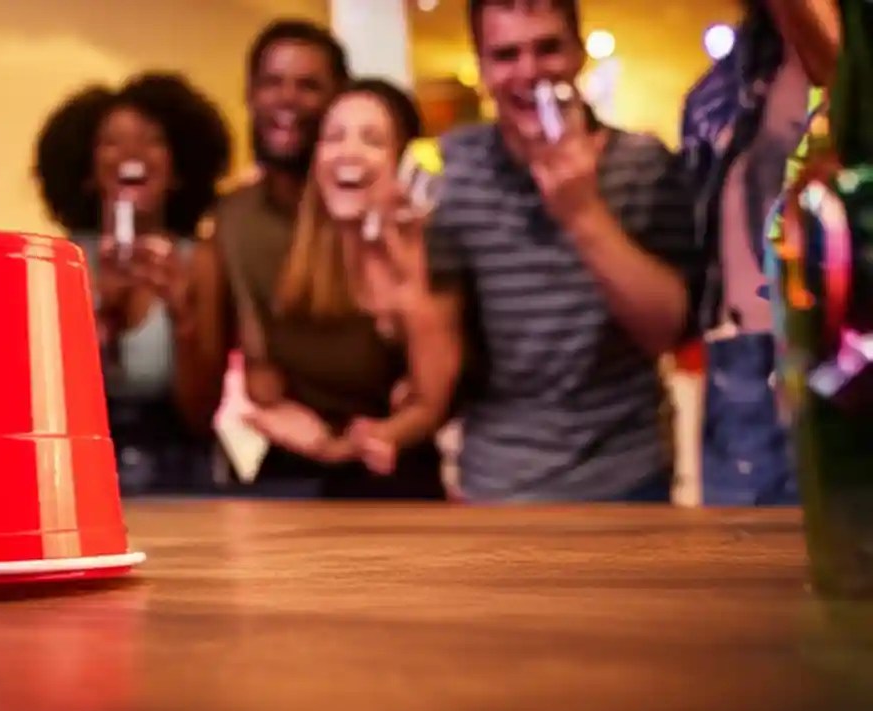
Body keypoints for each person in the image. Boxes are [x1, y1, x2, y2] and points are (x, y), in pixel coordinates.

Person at [427, 0, 702, 503]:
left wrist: (581, 212)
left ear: (578, 54)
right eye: (506, 55)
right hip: (497, 478)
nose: (529, 72)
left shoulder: (643, 165)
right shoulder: (455, 170)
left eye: (548, 48)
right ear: (484, 69)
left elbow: (667, 331)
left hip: (626, 474)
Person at [223, 78, 455, 498]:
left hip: (394, 474)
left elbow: (430, 402)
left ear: (402, 163)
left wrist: (340, 447)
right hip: (294, 468)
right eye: (334, 137)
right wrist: (273, 407)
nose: (349, 152)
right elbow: (261, 368)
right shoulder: (287, 250)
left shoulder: (429, 255)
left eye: (372, 140)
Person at [165, 20, 358, 495]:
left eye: (308, 85)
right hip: (290, 462)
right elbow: (199, 405)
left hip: (389, 456)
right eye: (273, 82)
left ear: (338, 99)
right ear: (251, 95)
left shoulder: (369, 208)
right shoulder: (230, 220)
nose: (287, 99)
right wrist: (184, 316)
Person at [33, 73, 231, 495]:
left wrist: (183, 317)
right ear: (87, 170)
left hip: (180, 472)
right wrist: (101, 318)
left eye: (152, 140)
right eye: (112, 141)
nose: (132, 153)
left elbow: (200, 415)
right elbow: (44, 407)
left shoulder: (201, 261)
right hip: (77, 472)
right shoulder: (59, 261)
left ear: (178, 169)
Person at [680, 0, 839, 506]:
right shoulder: (719, 95)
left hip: (850, 363)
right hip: (746, 380)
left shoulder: (851, 75)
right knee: (740, 572)